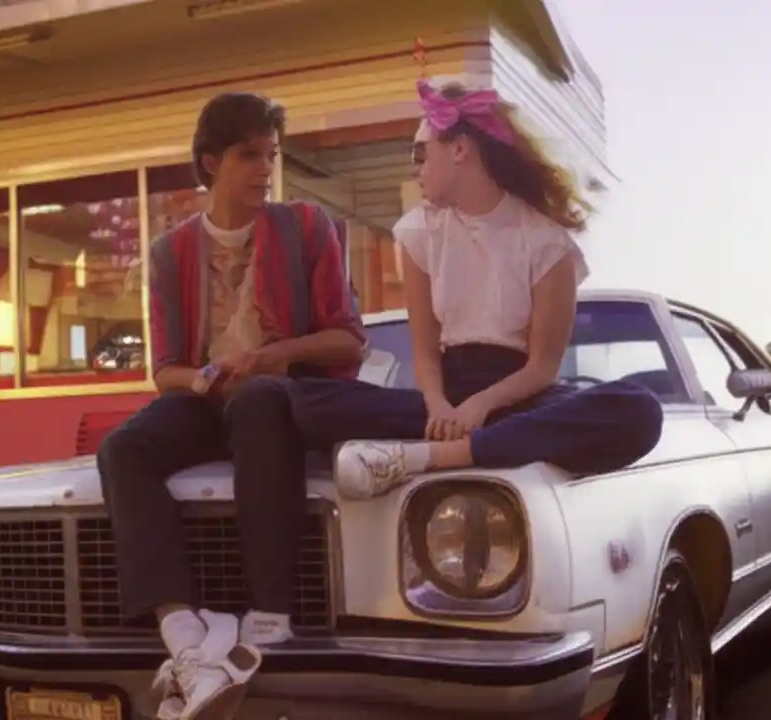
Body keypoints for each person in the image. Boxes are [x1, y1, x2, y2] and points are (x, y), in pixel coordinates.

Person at [96, 91, 365, 720]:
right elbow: (165, 369)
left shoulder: (305, 227)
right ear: (211, 162)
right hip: (207, 396)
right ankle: (180, 624)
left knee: (260, 402)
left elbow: (347, 339)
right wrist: (206, 380)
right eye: (249, 156)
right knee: (122, 446)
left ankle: (269, 615)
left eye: (269, 155)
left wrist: (266, 359)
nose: (264, 170)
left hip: (283, 394)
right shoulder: (170, 251)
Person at [289, 77, 664, 500]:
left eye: (421, 153)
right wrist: (439, 406)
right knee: (299, 400)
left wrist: (479, 407)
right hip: (445, 402)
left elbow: (541, 367)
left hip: (519, 400)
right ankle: (452, 444)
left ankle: (425, 457)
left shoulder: (546, 243)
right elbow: (426, 352)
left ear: (460, 150)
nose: (415, 168)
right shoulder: (419, 232)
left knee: (640, 410)